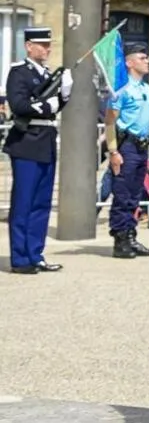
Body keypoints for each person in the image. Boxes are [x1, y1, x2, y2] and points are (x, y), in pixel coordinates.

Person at [4, 27, 73, 274]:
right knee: (23, 203)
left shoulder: (46, 74)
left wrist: (64, 95)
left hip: (45, 141)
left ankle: (36, 253)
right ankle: (21, 259)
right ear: (29, 46)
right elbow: (19, 104)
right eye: (42, 44)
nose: (47, 48)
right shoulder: (18, 72)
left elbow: (55, 106)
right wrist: (46, 105)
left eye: (49, 44)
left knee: (41, 203)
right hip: (26, 142)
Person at [105, 43, 149, 260]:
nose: (147, 61)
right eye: (142, 57)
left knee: (135, 194)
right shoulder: (121, 89)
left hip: (142, 146)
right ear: (129, 62)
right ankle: (120, 239)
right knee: (123, 194)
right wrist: (113, 151)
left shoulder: (146, 88)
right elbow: (110, 121)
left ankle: (131, 235)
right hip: (126, 146)